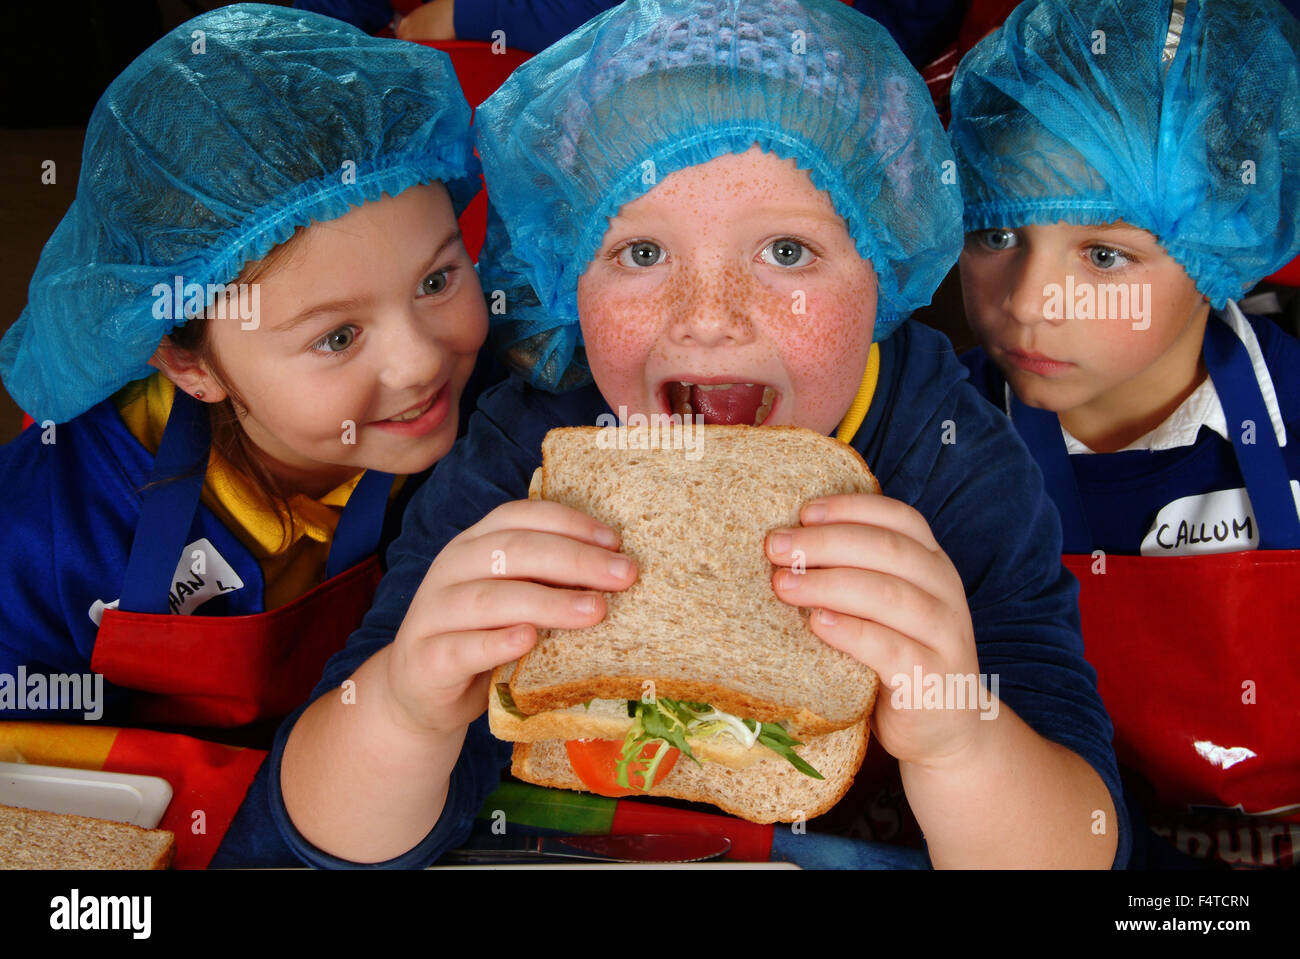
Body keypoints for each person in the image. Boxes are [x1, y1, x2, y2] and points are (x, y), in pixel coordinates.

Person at [266, 0, 1129, 869]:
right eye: (642, 254)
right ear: (568, 268)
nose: (708, 319)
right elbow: (327, 833)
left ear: (887, 259)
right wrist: (404, 707)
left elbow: (1084, 847)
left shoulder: (955, 463)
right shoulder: (525, 456)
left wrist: (961, 739)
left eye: (787, 252)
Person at [0, 4, 491, 866]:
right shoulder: (47, 524)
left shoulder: (498, 444)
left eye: (438, 278)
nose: (420, 362)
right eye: (337, 337)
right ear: (191, 364)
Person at [949, 0, 1300, 868]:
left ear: (1220, 238)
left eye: (1104, 255)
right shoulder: (931, 445)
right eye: (996, 232)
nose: (1029, 301)